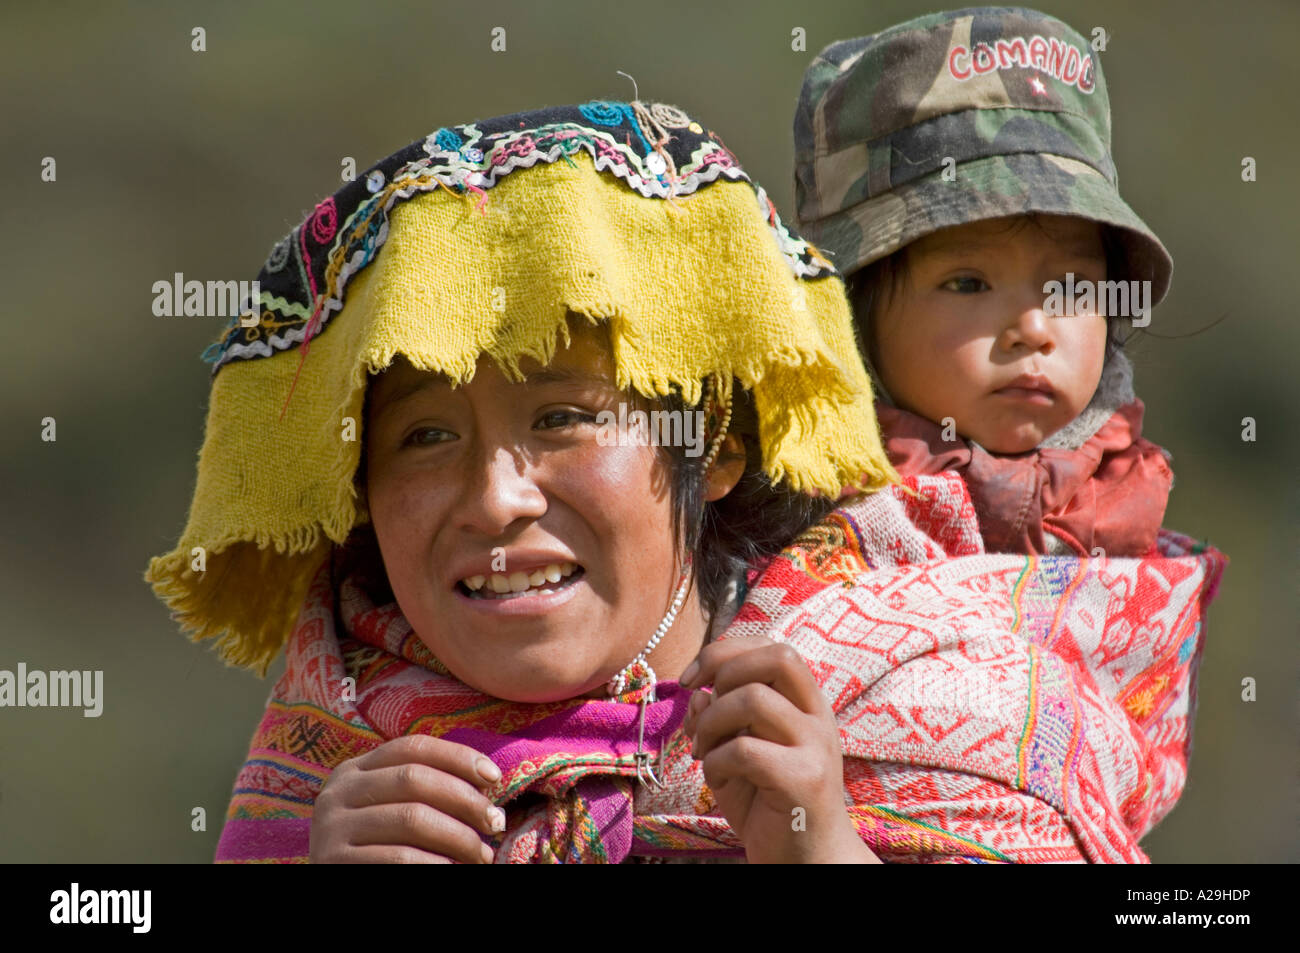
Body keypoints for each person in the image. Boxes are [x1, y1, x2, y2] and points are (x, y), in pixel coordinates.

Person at [145, 98, 1225, 864]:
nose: (494, 498)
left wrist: (822, 849)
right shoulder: (329, 756)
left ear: (709, 446)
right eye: (423, 438)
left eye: (562, 416)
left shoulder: (928, 694)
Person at [793, 6, 1183, 557]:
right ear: (850, 317)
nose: (1033, 329)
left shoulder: (1136, 538)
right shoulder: (775, 524)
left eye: (1072, 290)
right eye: (969, 284)